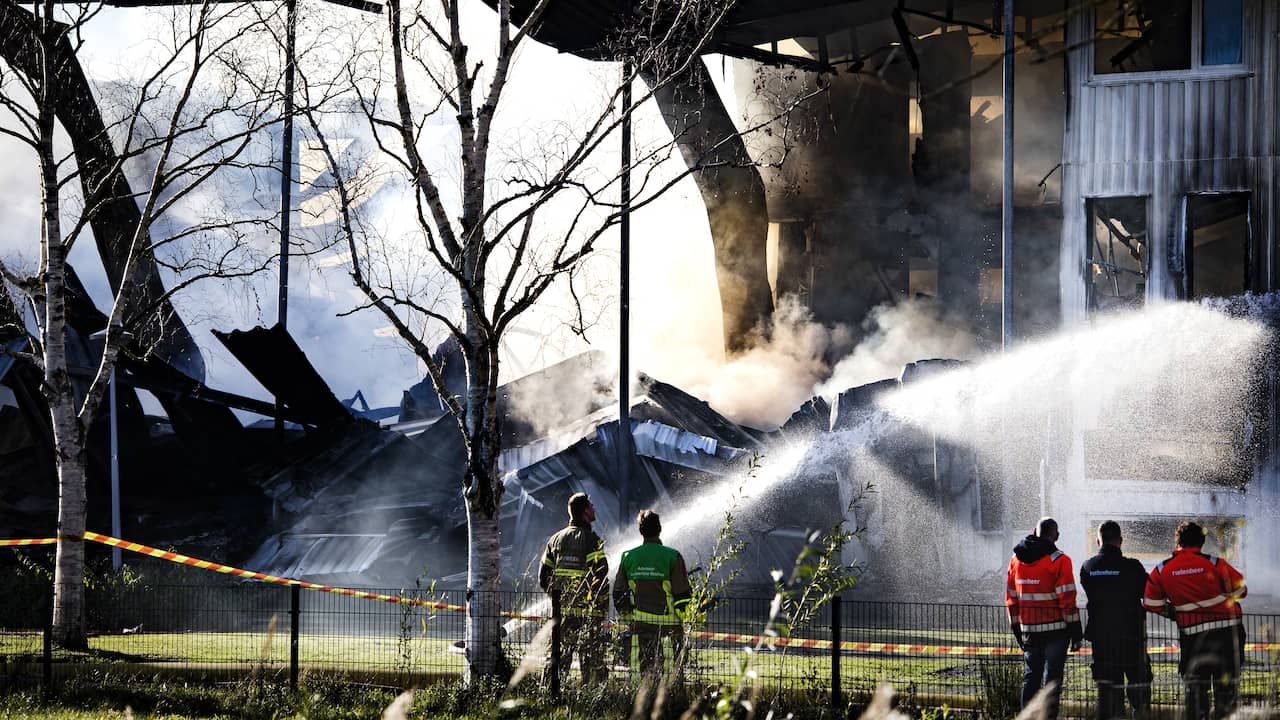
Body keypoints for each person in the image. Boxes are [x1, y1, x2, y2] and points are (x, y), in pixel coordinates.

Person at [1143, 521, 1247, 720]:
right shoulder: (1216, 564)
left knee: (1196, 690)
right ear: (1201, 542)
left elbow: (1150, 602)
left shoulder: (1162, 569)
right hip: (1228, 634)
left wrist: (1173, 612)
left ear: (1177, 542)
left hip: (1192, 638)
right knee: (1226, 689)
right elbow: (1242, 591)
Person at [1005, 517, 1081, 720]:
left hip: (1029, 630)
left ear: (1034, 531)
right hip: (1056, 631)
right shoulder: (1060, 561)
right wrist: (1076, 631)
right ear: (1055, 536)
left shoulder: (1015, 559)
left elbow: (1011, 599)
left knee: (1030, 679)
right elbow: (1067, 599)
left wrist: (1016, 629)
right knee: (1052, 682)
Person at [1080, 520, 1152, 719]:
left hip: (1102, 639)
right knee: (1138, 683)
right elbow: (1148, 591)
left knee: (1109, 689)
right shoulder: (1132, 567)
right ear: (1120, 540)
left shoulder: (1087, 567)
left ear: (1098, 541)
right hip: (1131, 636)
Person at [613, 509, 692, 683]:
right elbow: (683, 597)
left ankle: (637, 704)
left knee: (640, 673)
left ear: (641, 531)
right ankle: (669, 706)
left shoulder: (628, 557)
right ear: (660, 529)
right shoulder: (672, 556)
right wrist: (685, 622)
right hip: (669, 630)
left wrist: (629, 619)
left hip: (639, 628)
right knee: (671, 677)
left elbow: (619, 594)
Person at [538, 492, 609, 685]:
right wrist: (600, 610)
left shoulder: (555, 539)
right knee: (591, 661)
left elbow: (543, 577)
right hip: (587, 615)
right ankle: (592, 698)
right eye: (591, 506)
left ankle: (548, 697)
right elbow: (601, 578)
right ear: (585, 511)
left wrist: (556, 600)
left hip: (560, 614)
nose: (594, 509)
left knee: (556, 660)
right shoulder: (592, 540)